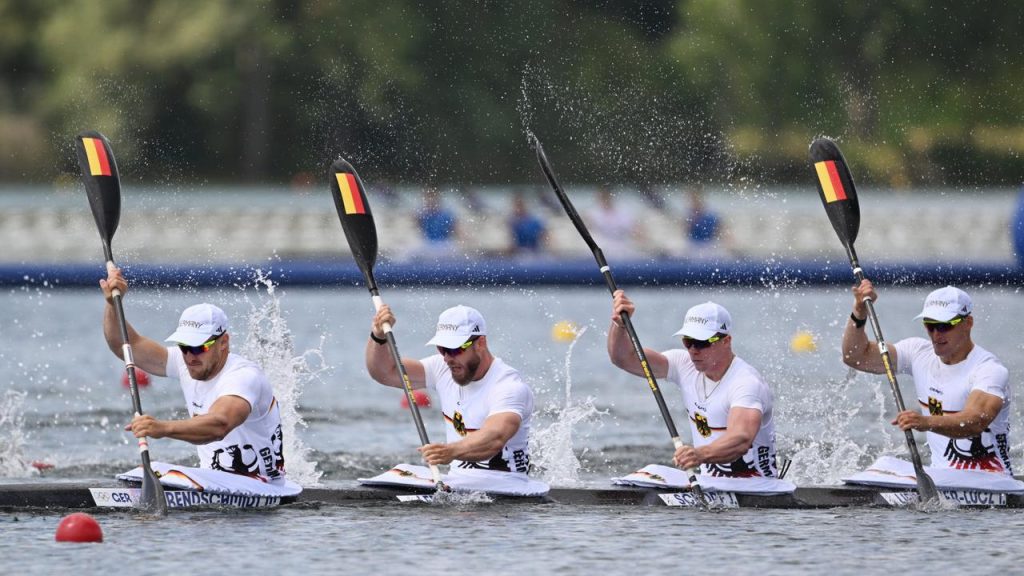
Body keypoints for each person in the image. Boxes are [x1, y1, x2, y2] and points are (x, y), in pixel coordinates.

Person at [100, 264, 298, 495]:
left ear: (223, 342)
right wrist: (113, 304)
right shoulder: (186, 362)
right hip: (216, 484)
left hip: (262, 487)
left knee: (156, 471)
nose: (190, 356)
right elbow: (126, 345)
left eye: (199, 347)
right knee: (138, 475)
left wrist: (162, 428)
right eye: (184, 347)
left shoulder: (243, 377)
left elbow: (219, 424)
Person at [365, 304, 547, 495]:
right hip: (458, 485)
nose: (447, 358)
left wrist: (451, 451)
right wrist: (378, 336)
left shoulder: (508, 386)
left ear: (480, 343)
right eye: (442, 349)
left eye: (454, 349)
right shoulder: (442, 368)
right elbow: (385, 372)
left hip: (506, 488)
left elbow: (495, 437)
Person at [842, 281, 1014, 475]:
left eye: (944, 325)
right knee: (882, 465)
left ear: (968, 323)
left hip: (991, 482)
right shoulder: (917, 353)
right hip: (941, 480)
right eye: (930, 325)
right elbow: (855, 357)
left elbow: (975, 421)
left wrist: (925, 422)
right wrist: (859, 312)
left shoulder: (989, 370)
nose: (936, 334)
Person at [607, 291, 781, 481]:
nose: (693, 351)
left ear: (726, 341)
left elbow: (741, 439)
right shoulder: (683, 364)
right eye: (688, 342)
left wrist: (699, 455)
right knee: (645, 474)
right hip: (712, 485)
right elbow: (624, 358)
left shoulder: (746, 383)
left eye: (701, 343)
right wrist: (619, 325)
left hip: (758, 488)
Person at [506, 192, 547, 257]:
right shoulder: (510, 221)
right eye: (517, 205)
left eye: (520, 205)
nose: (518, 208)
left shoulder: (534, 222)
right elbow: (510, 244)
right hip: (516, 254)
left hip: (534, 253)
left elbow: (544, 237)